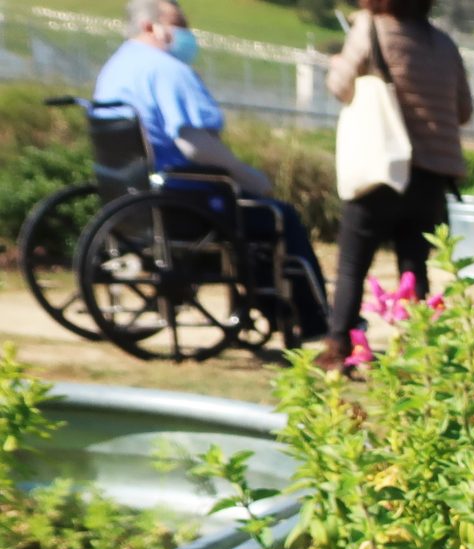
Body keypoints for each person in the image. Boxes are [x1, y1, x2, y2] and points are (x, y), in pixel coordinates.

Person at [95, 0, 328, 339]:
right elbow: (194, 143)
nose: (187, 34)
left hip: (133, 201)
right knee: (278, 216)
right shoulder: (166, 70)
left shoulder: (114, 69)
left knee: (248, 207)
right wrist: (244, 173)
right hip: (184, 200)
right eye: (179, 24)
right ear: (150, 27)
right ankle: (314, 321)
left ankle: (268, 307)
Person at [320, 0, 471, 371]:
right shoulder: (445, 45)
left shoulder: (371, 26)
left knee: (354, 264)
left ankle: (339, 348)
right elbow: (463, 110)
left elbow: (340, 87)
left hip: (382, 170)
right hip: (431, 176)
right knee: (413, 265)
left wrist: (339, 65)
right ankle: (417, 351)